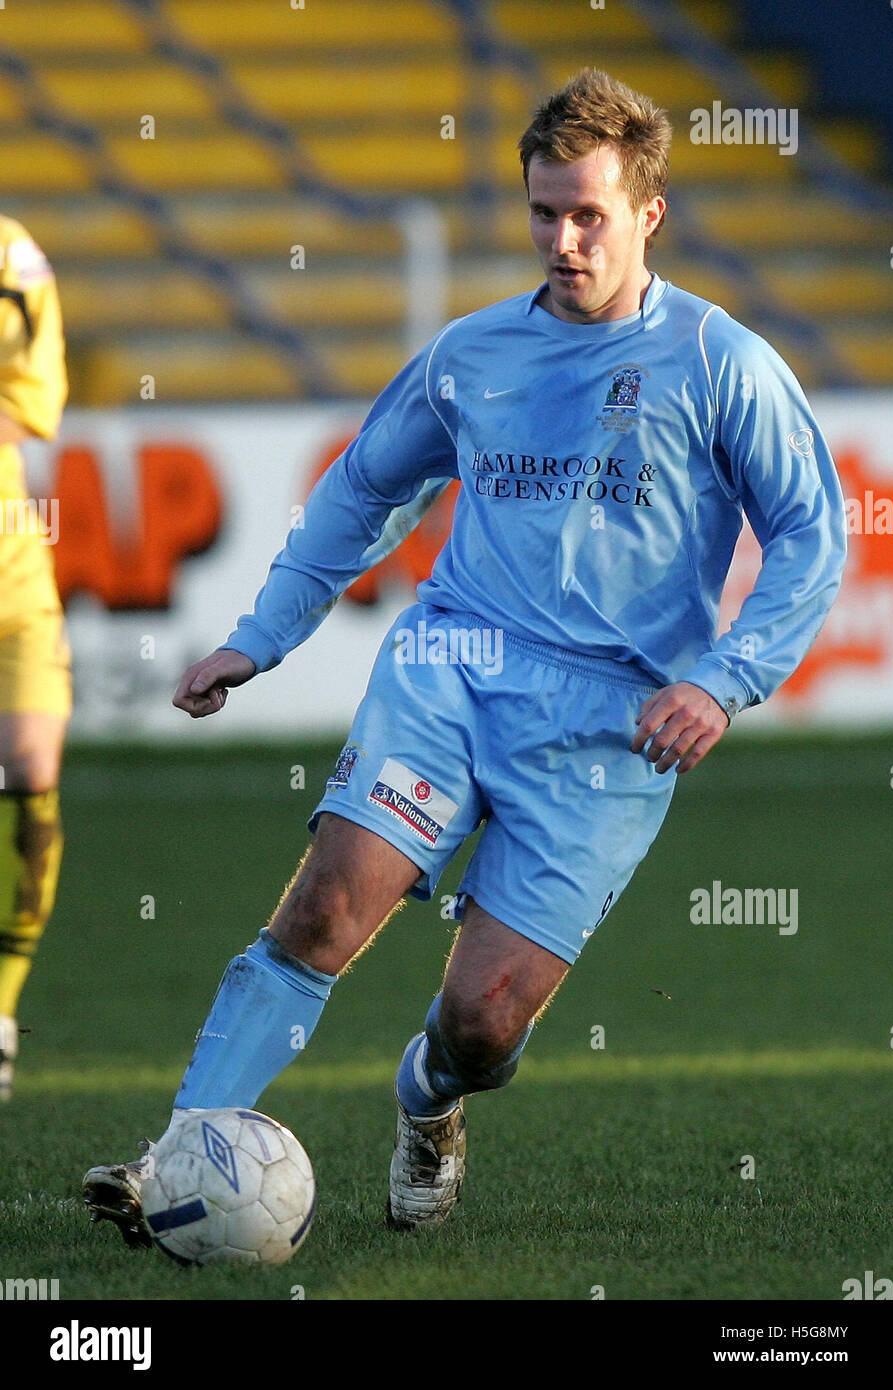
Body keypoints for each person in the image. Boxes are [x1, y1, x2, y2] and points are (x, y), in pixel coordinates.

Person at [83, 68, 846, 1242]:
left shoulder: (718, 361)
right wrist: (259, 638)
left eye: (587, 214)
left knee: (483, 1022)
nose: (562, 240)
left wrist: (722, 678)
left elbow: (811, 535)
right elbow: (361, 491)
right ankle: (175, 1157)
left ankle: (428, 1104)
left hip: (613, 724)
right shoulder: (472, 352)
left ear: (647, 213)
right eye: (543, 213)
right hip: (453, 662)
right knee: (326, 910)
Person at [0, 216, 69, 1101]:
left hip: (13, 580)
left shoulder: (14, 259)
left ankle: (3, 1007)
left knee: (30, 764)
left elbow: (31, 404)